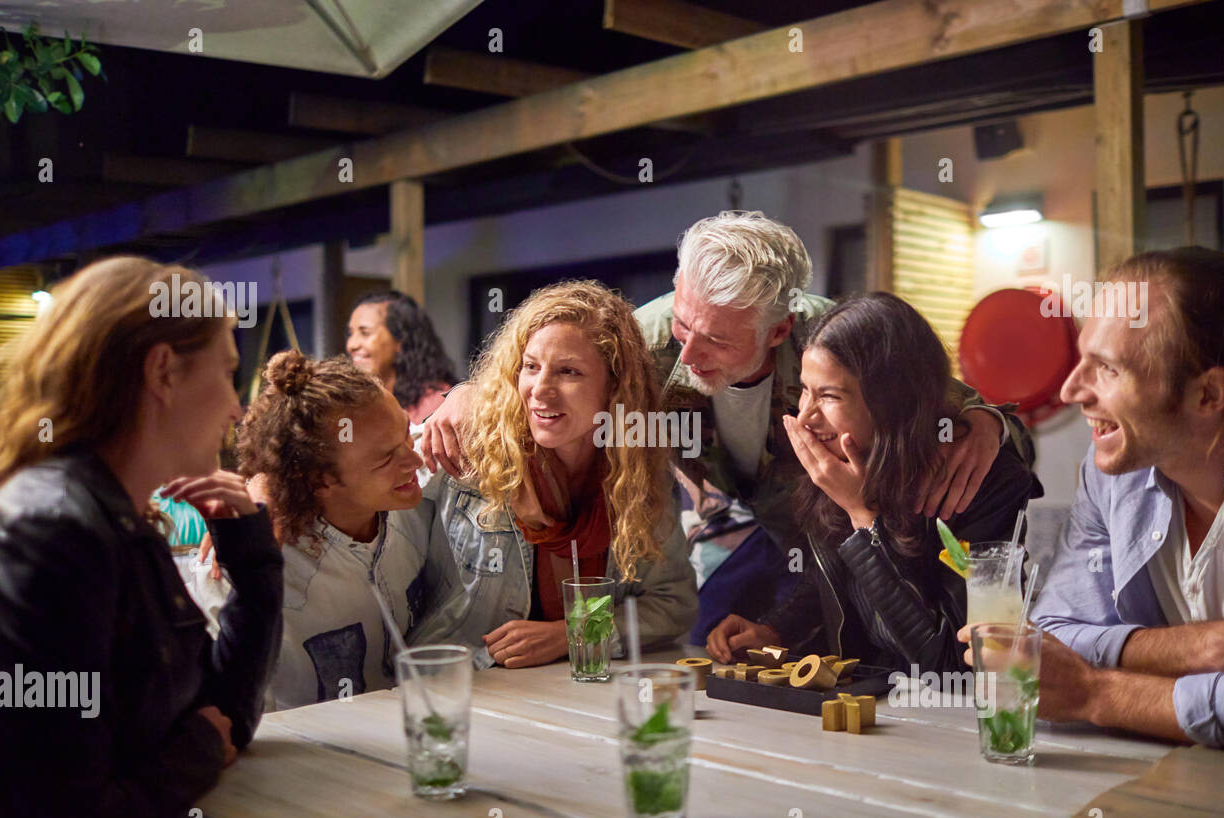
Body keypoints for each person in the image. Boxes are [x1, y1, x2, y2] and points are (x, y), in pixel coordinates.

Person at [422, 212, 1031, 641]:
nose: (685, 358)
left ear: (778, 331)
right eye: (685, 325)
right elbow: (553, 367)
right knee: (714, 637)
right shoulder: (644, 341)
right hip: (759, 529)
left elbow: (971, 416)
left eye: (715, 339)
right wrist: (476, 389)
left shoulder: (837, 344)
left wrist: (988, 424)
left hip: (843, 530)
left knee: (849, 649)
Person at [0, 256, 283, 818]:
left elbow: (225, 712)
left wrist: (252, 565)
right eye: (228, 373)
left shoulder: (124, 522)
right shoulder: (55, 534)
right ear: (163, 372)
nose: (237, 409)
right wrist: (201, 745)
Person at [959, 247, 1224, 758]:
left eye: (1108, 369)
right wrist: (1212, 645)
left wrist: (1098, 693)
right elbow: (1053, 633)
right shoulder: (1111, 476)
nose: (1072, 390)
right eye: (1081, 360)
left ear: (1208, 395)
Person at [707, 294, 1041, 670]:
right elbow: (834, 576)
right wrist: (775, 630)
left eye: (829, 396)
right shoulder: (843, 454)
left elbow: (950, 662)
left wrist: (863, 517)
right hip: (864, 701)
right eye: (804, 390)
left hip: (948, 715)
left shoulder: (980, 481)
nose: (804, 417)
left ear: (892, 402)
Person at [414, 279, 697, 665]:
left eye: (568, 372)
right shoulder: (463, 450)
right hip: (461, 689)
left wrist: (576, 633)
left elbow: (673, 604)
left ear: (614, 388)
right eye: (530, 367)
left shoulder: (639, 475)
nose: (540, 390)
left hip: (571, 697)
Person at [192, 350, 471, 711]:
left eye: (406, 432)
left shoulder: (424, 485)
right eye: (386, 457)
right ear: (319, 479)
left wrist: (468, 391)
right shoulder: (243, 572)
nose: (414, 458)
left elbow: (499, 411)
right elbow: (224, 715)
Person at [347, 290, 458, 423]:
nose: (351, 345)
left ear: (401, 339)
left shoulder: (438, 405)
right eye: (350, 334)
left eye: (365, 333)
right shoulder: (357, 402)